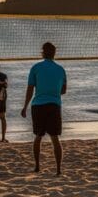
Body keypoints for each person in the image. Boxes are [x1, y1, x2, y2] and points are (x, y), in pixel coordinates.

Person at [21, 42, 67, 175]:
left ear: (42, 52)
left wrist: (25, 107)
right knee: (55, 138)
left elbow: (30, 89)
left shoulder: (36, 67)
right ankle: (58, 170)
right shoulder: (60, 69)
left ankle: (37, 167)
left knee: (38, 136)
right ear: (54, 53)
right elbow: (63, 91)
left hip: (38, 105)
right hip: (54, 105)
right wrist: (52, 90)